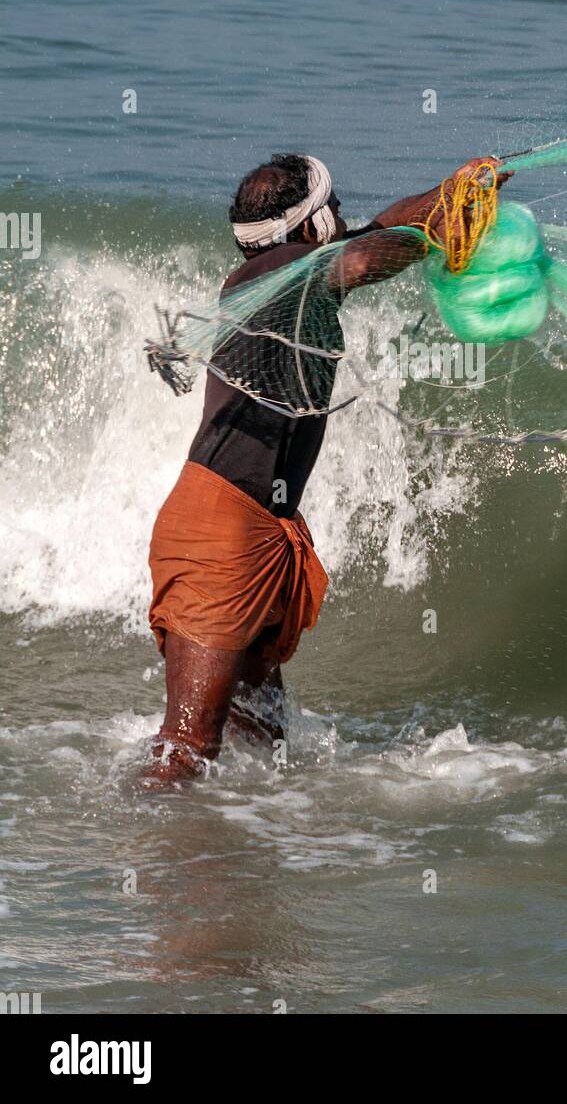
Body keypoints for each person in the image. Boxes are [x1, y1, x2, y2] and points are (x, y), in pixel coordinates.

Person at [143, 152, 509, 785]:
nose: (344, 217)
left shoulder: (281, 271)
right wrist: (433, 236)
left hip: (257, 527)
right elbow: (366, 256)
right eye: (333, 207)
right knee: (186, 746)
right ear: (310, 226)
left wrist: (448, 196)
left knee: (262, 738)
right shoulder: (286, 270)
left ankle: (239, 855)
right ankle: (135, 859)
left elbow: (370, 234)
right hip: (218, 536)